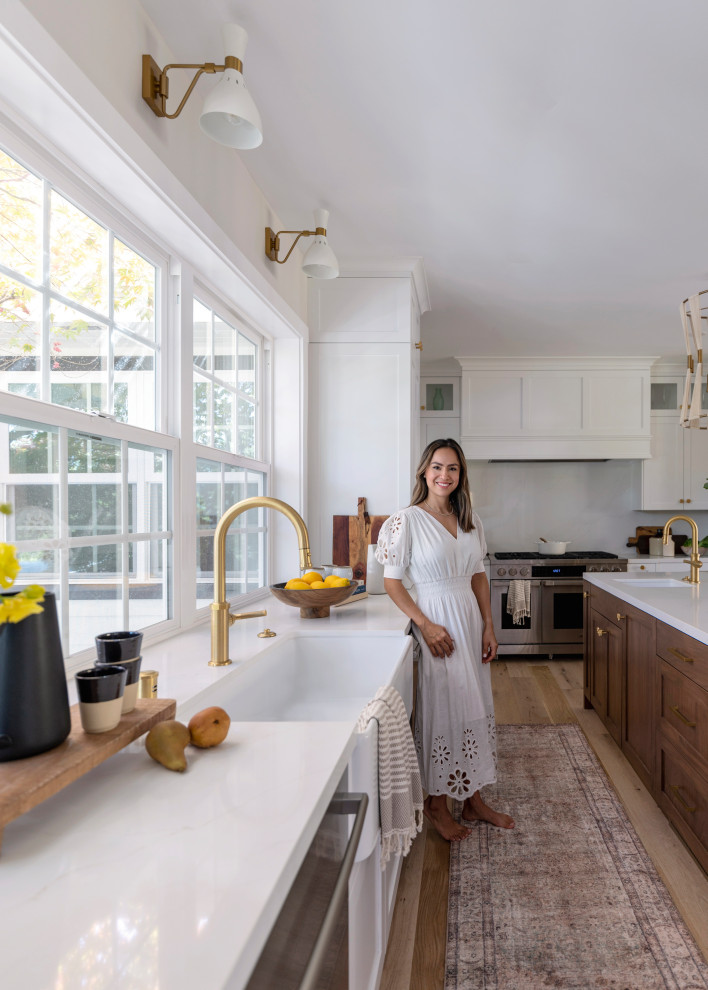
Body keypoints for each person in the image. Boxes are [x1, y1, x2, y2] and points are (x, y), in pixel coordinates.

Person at [375, 438, 514, 841]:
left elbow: (478, 576)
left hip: (469, 620)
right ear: (424, 471)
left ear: (460, 475)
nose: (444, 475)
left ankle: (473, 798)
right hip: (437, 621)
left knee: (474, 703)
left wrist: (489, 624)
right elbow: (392, 582)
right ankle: (437, 803)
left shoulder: (470, 519)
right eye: (437, 467)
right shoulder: (406, 521)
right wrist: (424, 624)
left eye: (452, 468)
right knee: (443, 707)